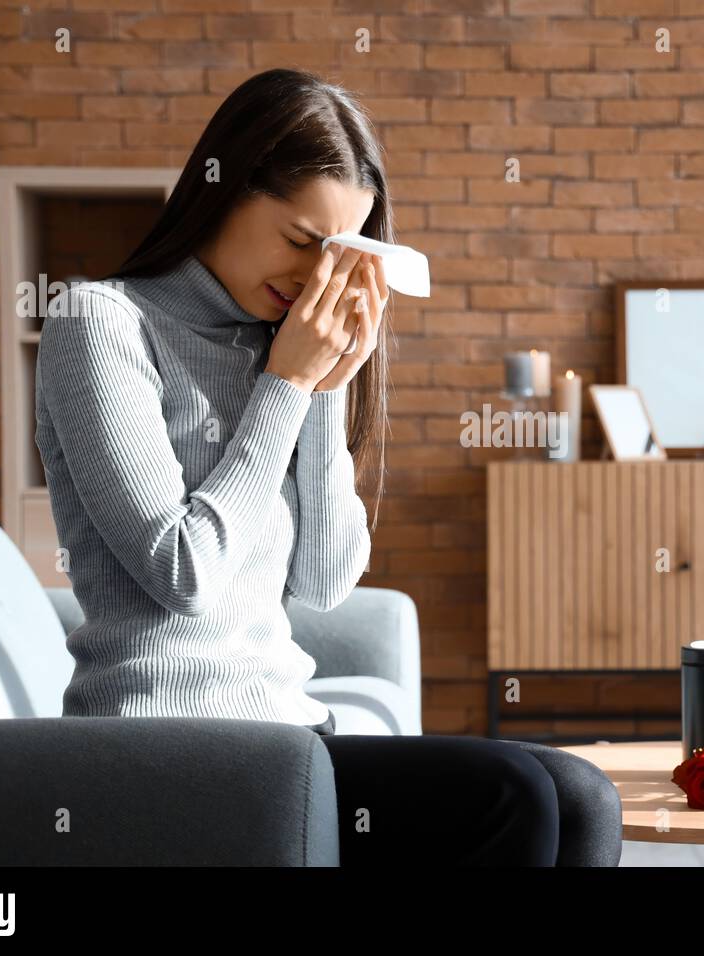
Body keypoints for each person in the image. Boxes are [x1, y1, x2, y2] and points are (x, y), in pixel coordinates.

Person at [34, 67, 621, 866]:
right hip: (162, 749)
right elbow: (182, 573)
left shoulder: (281, 344)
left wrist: (319, 392)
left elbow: (324, 580)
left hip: (282, 737)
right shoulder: (99, 323)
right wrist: (289, 384)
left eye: (339, 254)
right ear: (225, 191)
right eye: (303, 241)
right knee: (509, 794)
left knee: (582, 797)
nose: (317, 278)